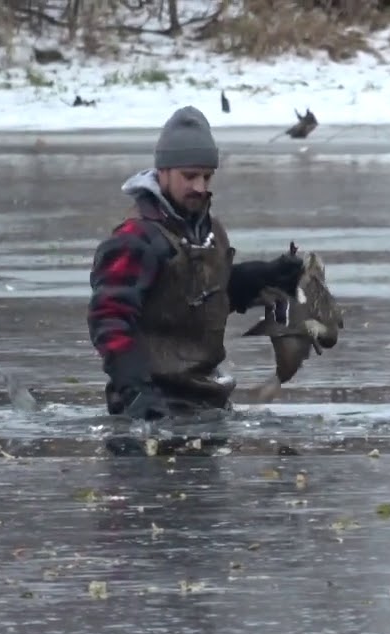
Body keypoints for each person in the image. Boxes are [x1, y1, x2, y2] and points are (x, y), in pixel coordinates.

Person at [87, 105, 304, 421]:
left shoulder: (211, 231)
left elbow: (200, 296)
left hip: (208, 404)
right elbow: (108, 318)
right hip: (150, 410)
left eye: (206, 176)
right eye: (189, 176)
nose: (200, 187)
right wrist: (134, 388)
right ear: (163, 171)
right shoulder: (136, 238)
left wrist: (261, 277)